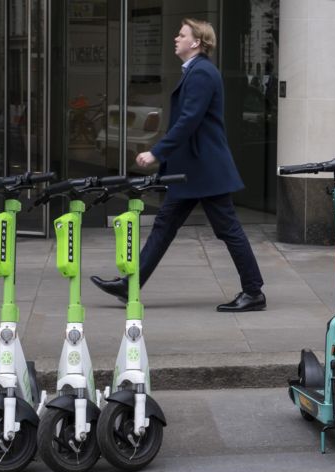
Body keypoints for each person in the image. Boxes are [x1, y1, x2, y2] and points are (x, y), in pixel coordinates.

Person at [91, 19, 266, 312]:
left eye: (182, 35)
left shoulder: (202, 73)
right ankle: (129, 285)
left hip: (205, 169)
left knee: (228, 229)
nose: (176, 38)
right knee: (164, 226)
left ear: (196, 42)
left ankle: (253, 292)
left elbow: (189, 121)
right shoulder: (196, 71)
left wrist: (156, 153)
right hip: (193, 170)